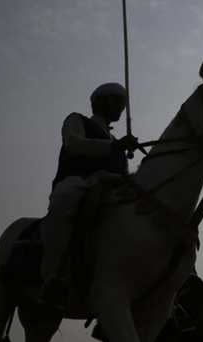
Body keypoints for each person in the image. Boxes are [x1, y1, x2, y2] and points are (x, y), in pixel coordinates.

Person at [39, 82, 139, 310]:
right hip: (78, 182)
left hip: (111, 187)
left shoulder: (118, 144)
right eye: (117, 101)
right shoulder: (76, 121)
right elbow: (73, 145)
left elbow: (122, 174)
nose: (121, 108)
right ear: (99, 102)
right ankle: (52, 277)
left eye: (123, 104)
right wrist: (113, 147)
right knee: (63, 201)